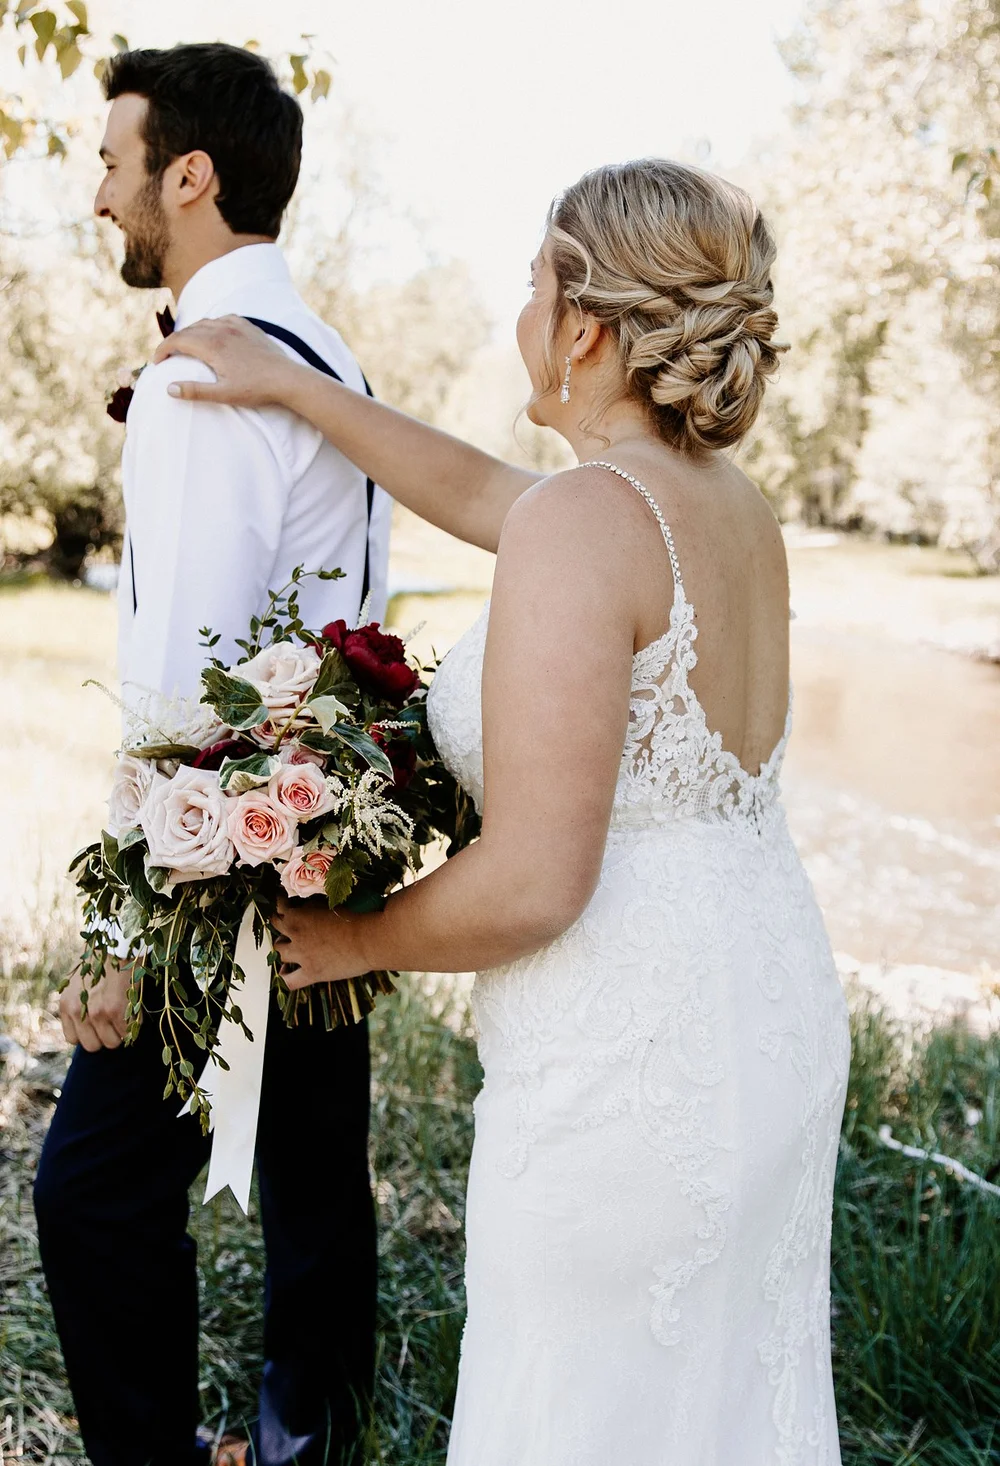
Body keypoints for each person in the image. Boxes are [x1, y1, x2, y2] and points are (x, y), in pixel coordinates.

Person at [157, 157, 852, 1465]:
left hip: (631, 1053)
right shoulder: (723, 508)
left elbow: (538, 875)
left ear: (586, 325)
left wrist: (352, 943)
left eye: (533, 284)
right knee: (710, 1400)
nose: (518, 314)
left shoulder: (594, 515)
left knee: (582, 1408)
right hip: (766, 1007)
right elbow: (485, 495)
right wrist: (298, 386)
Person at [33, 43, 391, 1466]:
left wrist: (127, 931)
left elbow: (188, 677)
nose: (100, 193)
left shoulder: (202, 379)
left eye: (115, 163)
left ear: (190, 174)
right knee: (316, 1173)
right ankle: (310, 1437)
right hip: (328, 828)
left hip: (225, 852)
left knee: (93, 1190)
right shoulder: (327, 357)